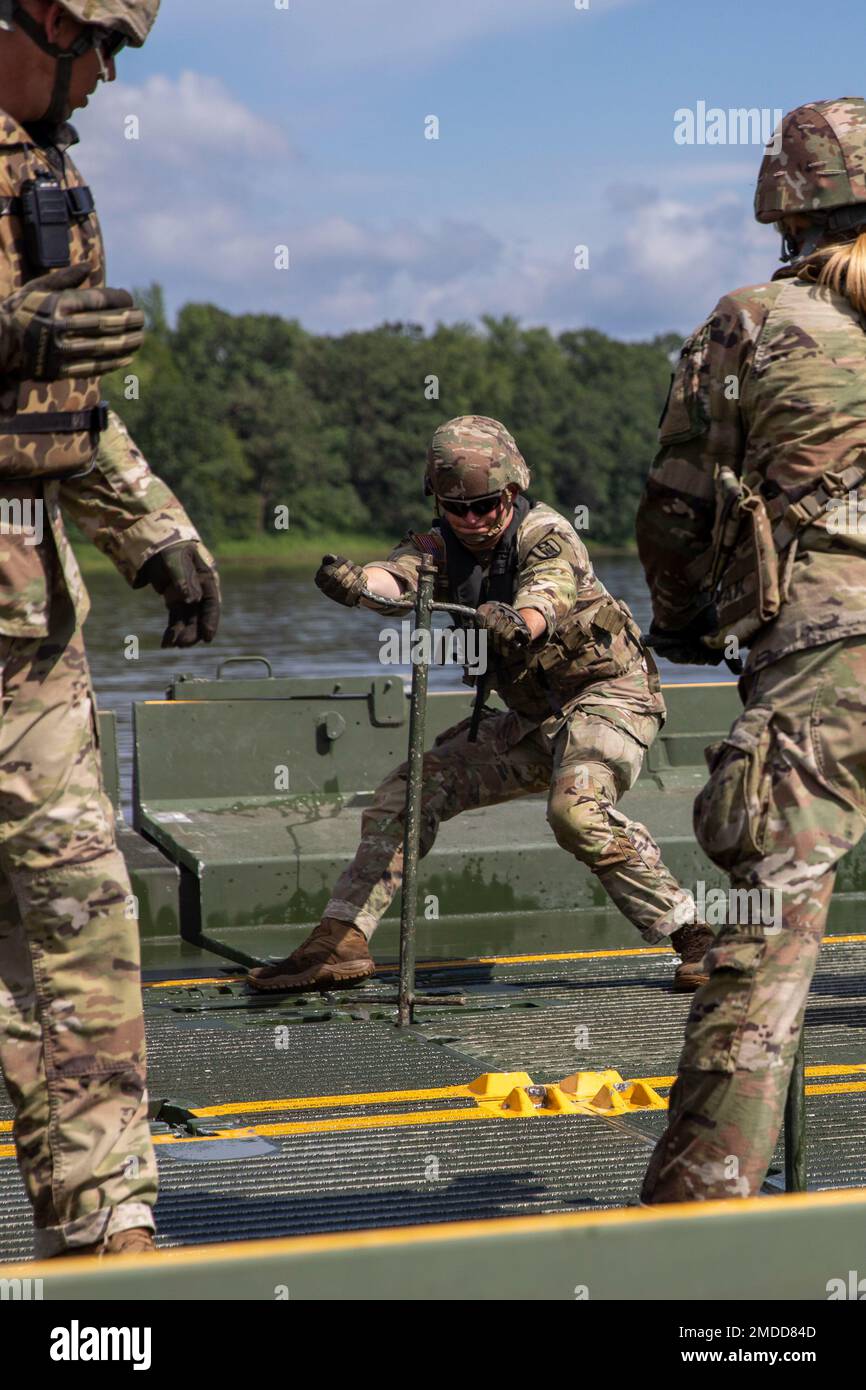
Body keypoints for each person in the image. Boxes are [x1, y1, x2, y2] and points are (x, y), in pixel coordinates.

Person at [0, 0, 220, 1257]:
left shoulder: (42, 175)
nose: (106, 81)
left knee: (70, 919)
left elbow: (60, 406)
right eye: (104, 49)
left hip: (24, 629)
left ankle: (98, 1238)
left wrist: (154, 534)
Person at [248, 415, 712, 995]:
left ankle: (695, 936)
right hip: (532, 721)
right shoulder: (440, 545)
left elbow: (548, 592)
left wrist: (521, 621)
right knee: (409, 791)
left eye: (484, 506)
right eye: (454, 507)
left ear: (512, 492)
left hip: (608, 700)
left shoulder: (546, 534)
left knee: (575, 812)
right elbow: (398, 577)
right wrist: (358, 584)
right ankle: (341, 937)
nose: (469, 520)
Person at [636, 97, 866, 1201]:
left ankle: (696, 1224)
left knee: (762, 943)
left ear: (784, 203)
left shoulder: (753, 319)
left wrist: (679, 618)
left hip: (826, 662)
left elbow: (677, 503)